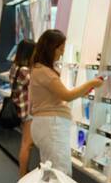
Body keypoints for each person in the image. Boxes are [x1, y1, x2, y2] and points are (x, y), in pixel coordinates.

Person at [26, 29, 102, 175]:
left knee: (51, 171)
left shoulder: (39, 69)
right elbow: (66, 95)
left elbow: (58, 95)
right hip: (52, 126)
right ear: (50, 48)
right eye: (60, 49)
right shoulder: (44, 72)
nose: (61, 53)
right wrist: (91, 83)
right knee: (60, 173)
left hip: (46, 124)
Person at [9, 39, 36, 173]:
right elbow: (36, 82)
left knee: (26, 143)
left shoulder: (15, 67)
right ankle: (23, 174)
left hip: (19, 107)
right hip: (27, 110)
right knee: (27, 144)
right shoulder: (25, 71)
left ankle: (23, 174)